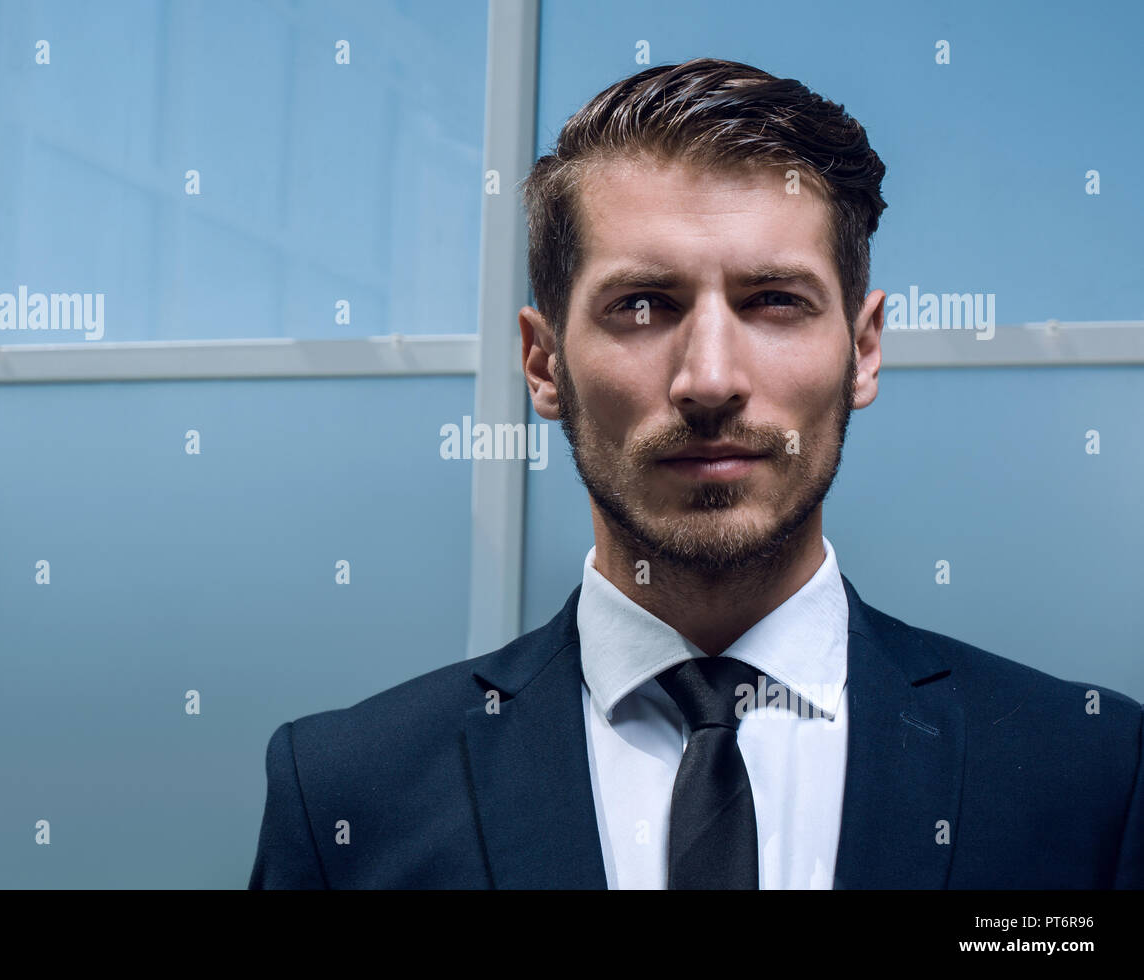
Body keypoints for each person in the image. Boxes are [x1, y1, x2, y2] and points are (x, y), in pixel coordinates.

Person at [249, 58, 1143, 889]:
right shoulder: (344, 794)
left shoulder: (1090, 771)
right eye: (642, 305)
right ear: (544, 364)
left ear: (863, 351)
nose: (710, 379)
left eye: (775, 302)